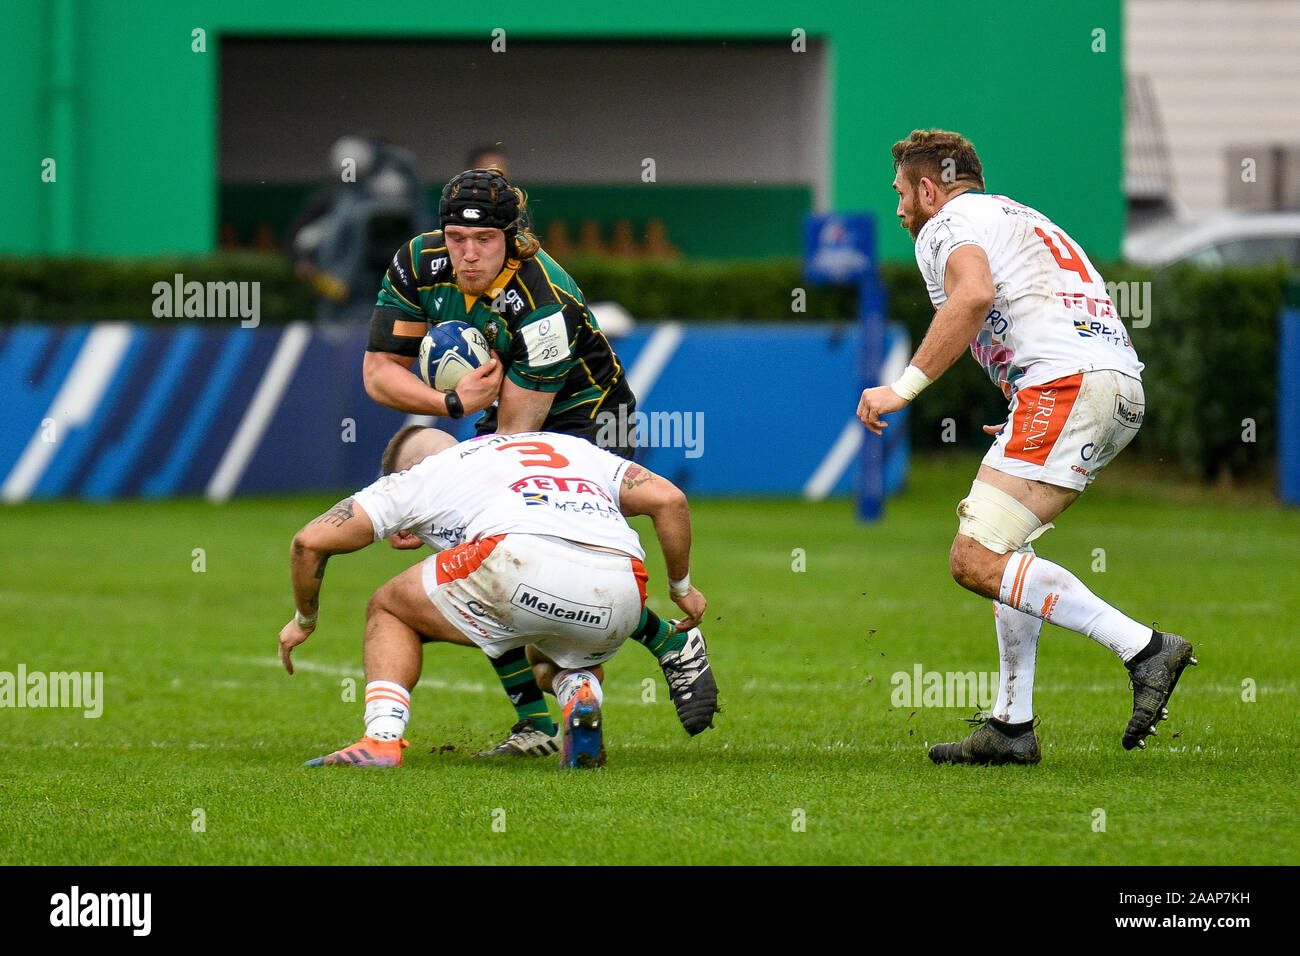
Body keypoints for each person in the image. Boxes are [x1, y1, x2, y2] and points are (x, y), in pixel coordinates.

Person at [857, 129, 1197, 765]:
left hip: (1068, 389)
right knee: (1005, 548)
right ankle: (1012, 726)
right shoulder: (1018, 214)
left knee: (974, 559)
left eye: (902, 193)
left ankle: (1145, 650)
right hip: (1111, 386)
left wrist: (902, 388)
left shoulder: (946, 223)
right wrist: (1026, 406)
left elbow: (975, 294)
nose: (899, 208)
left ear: (930, 189)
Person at [362, 166, 719, 748]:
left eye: (484, 241)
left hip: (589, 416)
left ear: (514, 238)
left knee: (530, 558)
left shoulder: (540, 304)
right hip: (501, 406)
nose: (468, 254)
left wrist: (438, 501)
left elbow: (515, 440)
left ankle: (665, 643)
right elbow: (377, 373)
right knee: (490, 563)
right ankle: (544, 722)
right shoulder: (416, 265)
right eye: (456, 238)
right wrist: (448, 401)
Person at [278, 428, 708, 769]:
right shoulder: (561, 444)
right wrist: (681, 590)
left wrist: (304, 620)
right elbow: (669, 500)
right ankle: (579, 692)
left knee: (390, 607)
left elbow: (309, 543)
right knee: (551, 653)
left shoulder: (423, 476)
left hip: (516, 559)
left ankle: (382, 739)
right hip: (625, 587)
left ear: (403, 469)